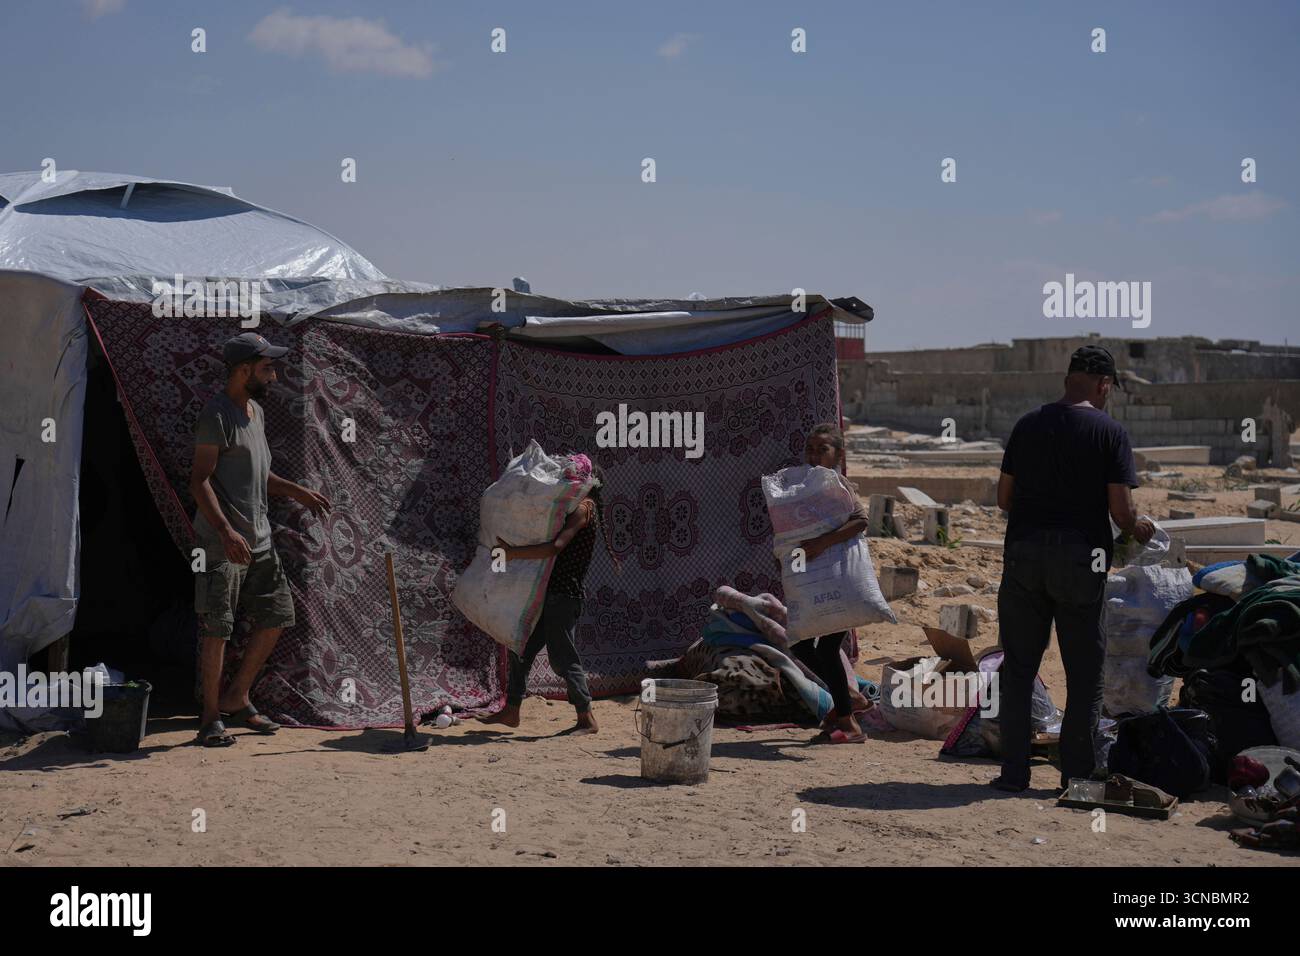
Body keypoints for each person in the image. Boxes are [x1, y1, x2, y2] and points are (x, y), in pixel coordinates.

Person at [991, 345, 1154, 792]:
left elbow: (1004, 499)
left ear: (1068, 379)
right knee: (1084, 671)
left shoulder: (1027, 425)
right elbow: (1121, 512)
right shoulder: (1110, 432)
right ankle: (1077, 775)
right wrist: (1139, 527)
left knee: (1019, 667)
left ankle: (1013, 773)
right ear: (1103, 385)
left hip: (1023, 555)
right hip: (1081, 559)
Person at [189, 332, 331, 747]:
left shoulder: (256, 413)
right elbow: (200, 481)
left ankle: (237, 696)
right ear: (244, 370)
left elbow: (258, 475)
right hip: (222, 543)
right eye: (267, 367)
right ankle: (211, 717)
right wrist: (225, 530)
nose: (274, 374)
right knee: (218, 628)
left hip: (260, 541)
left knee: (276, 616)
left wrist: (295, 490)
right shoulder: (216, 415)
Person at [479, 458, 615, 736]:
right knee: (521, 647)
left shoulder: (584, 510)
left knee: (563, 657)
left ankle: (587, 718)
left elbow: (556, 547)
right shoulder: (576, 509)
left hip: (564, 596)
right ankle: (512, 710)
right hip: (552, 594)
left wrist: (513, 553)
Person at [792, 423, 874, 743]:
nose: (814, 455)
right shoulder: (804, 486)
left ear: (838, 456)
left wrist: (821, 544)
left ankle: (849, 722)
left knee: (826, 648)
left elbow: (861, 520)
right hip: (819, 580)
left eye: (822, 450)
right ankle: (847, 700)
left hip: (843, 578)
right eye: (810, 449)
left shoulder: (838, 485)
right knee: (801, 643)